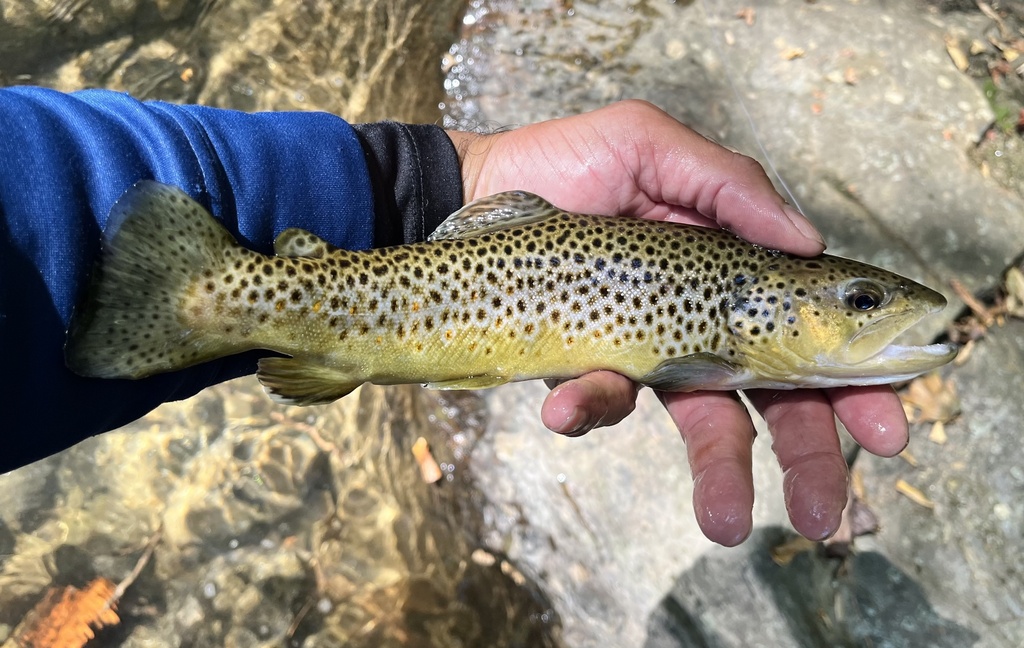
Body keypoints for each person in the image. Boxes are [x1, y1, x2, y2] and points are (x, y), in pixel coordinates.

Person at [0, 88, 908, 546]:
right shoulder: (728, 332)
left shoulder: (734, 316)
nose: (872, 314)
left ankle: (231, 294)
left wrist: (422, 186)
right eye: (860, 303)